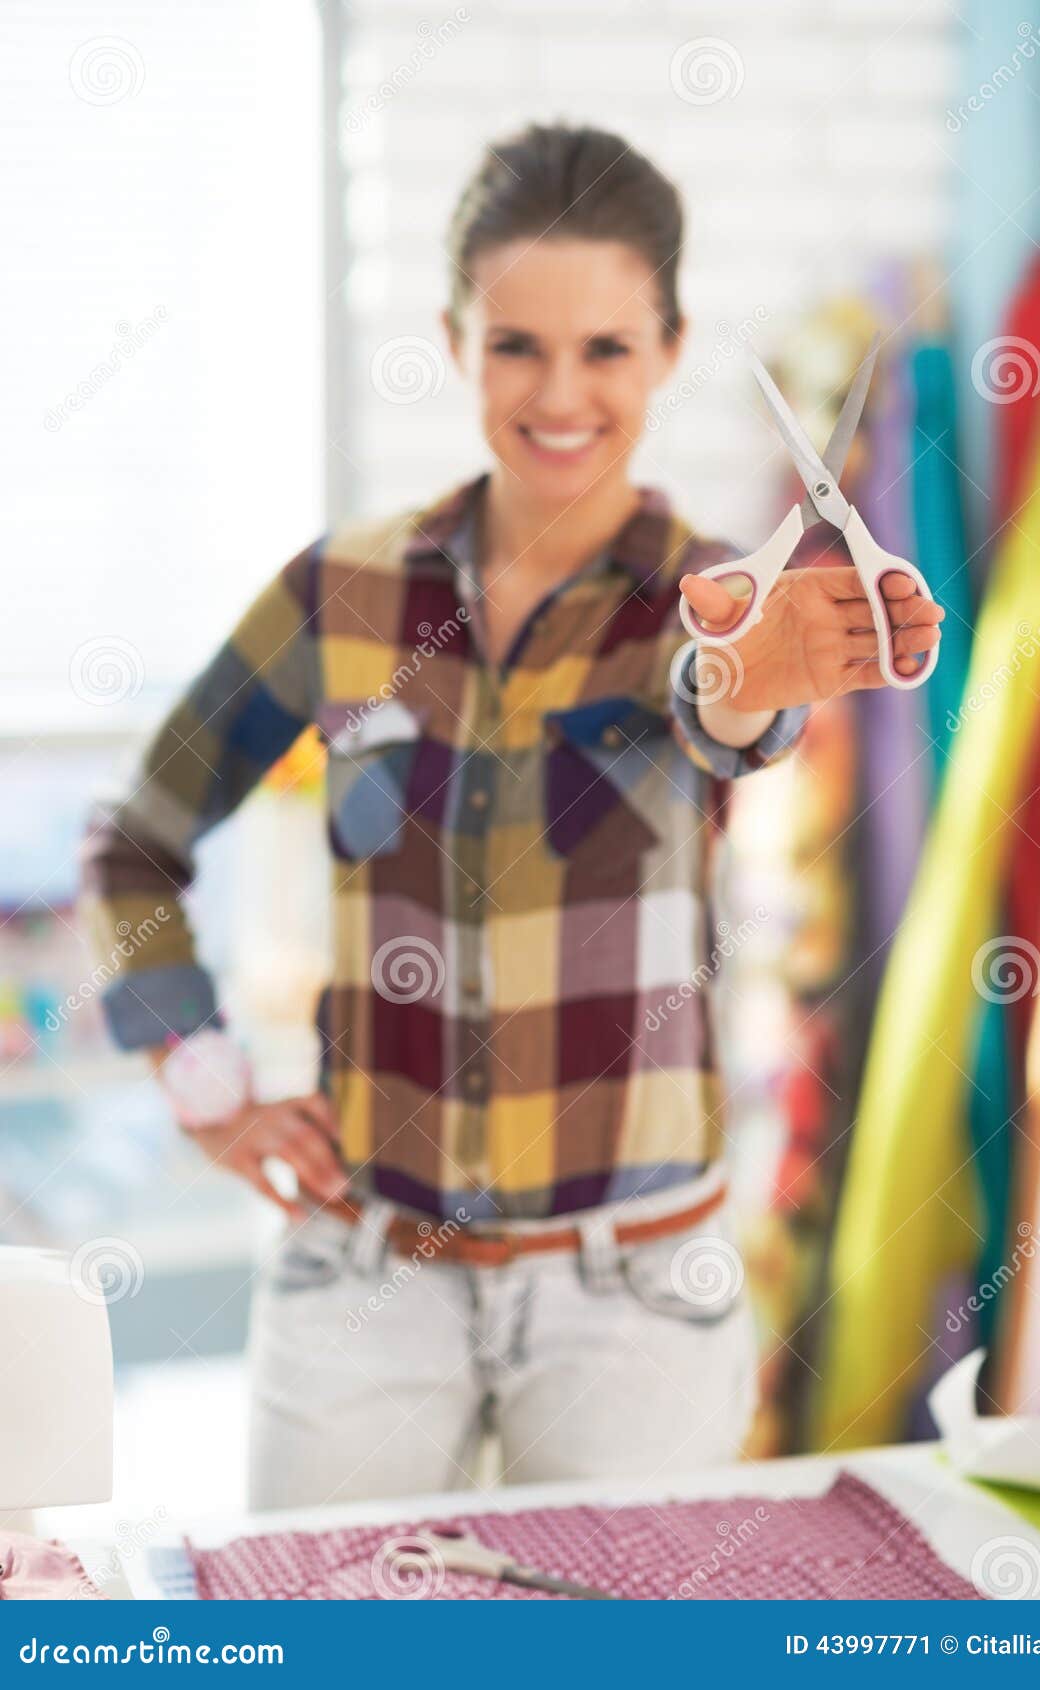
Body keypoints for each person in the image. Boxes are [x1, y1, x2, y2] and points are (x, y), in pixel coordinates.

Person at [80, 121, 943, 1510]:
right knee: (322, 1649)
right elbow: (134, 841)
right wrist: (203, 1081)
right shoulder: (338, 596)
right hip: (366, 1284)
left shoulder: (717, 596)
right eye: (517, 345)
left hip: (635, 1306)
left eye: (605, 348)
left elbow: (718, 704)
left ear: (668, 347)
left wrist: (750, 676)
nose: (559, 392)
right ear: (456, 338)